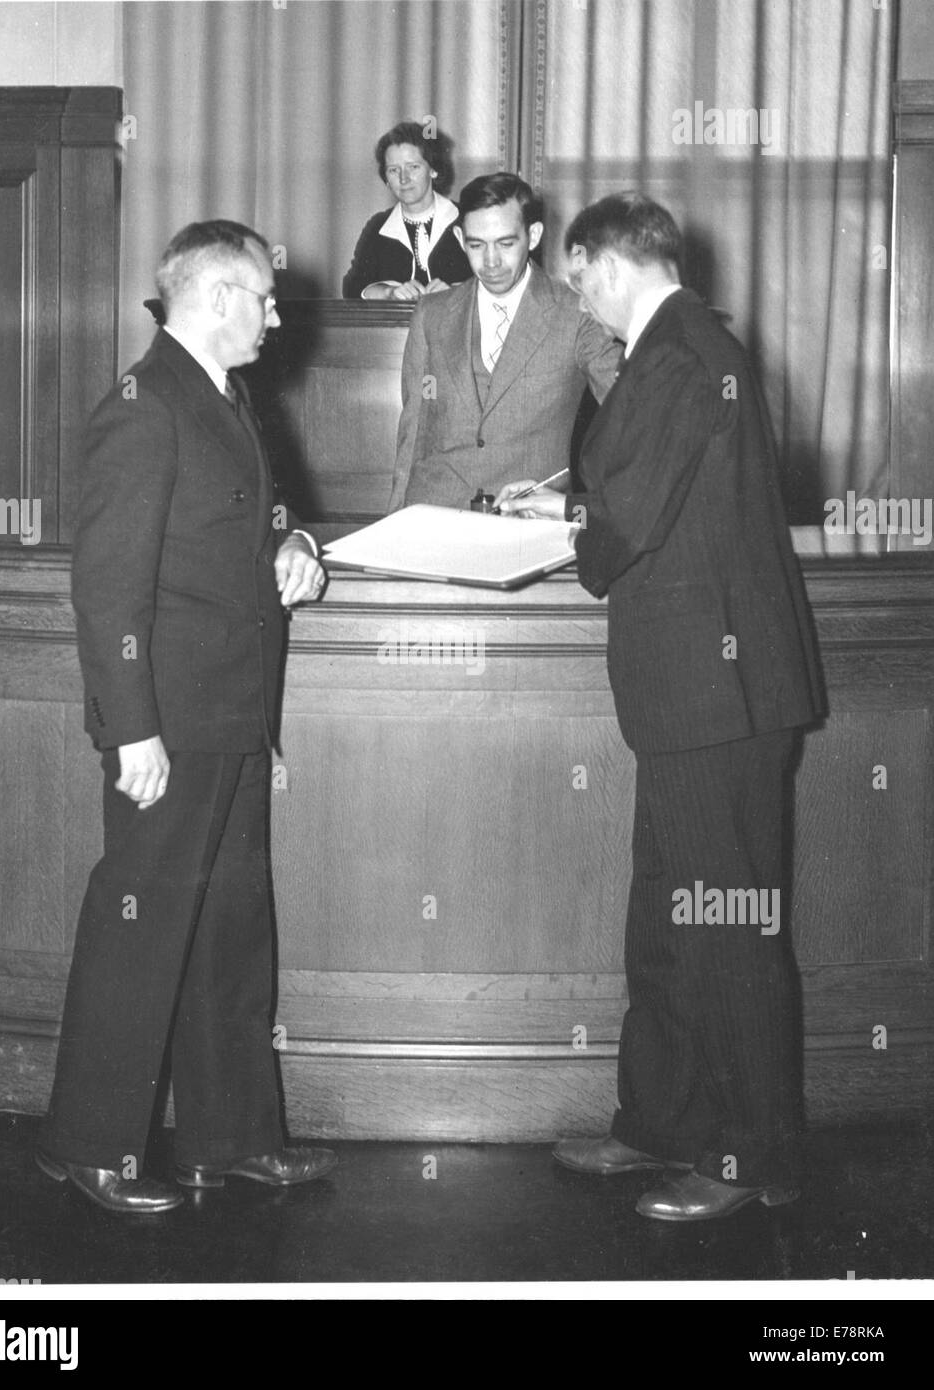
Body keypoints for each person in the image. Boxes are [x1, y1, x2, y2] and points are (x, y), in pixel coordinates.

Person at [496, 192, 826, 1222]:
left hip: (713, 696)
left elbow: (631, 519)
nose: (574, 290)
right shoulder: (682, 347)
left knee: (723, 923)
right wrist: (570, 508)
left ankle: (747, 1157)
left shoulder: (679, 349)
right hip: (692, 693)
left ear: (615, 264)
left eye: (579, 270)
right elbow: (655, 493)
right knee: (667, 912)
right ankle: (660, 1121)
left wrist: (575, 533)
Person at [37, 220, 337, 1213]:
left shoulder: (223, 395)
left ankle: (230, 1136)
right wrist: (131, 732)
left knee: (227, 927)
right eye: (264, 296)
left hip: (233, 713)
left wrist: (291, 546)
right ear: (216, 298)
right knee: (141, 926)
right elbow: (107, 589)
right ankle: (92, 1148)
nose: (277, 313)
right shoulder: (143, 405)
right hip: (167, 721)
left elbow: (260, 510)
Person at [388, 172, 620, 511]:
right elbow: (412, 434)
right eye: (476, 245)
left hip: (527, 522)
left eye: (506, 243)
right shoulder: (431, 313)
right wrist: (394, 525)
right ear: (459, 237)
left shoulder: (577, 312)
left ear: (534, 235)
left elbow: (630, 412)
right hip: (435, 516)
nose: (491, 262)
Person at [342, 120, 472, 300]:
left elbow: (494, 281)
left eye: (413, 167)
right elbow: (352, 287)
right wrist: (389, 293)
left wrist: (456, 291)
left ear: (433, 170)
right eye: (394, 170)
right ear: (386, 178)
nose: (404, 179)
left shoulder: (468, 219)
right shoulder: (377, 226)